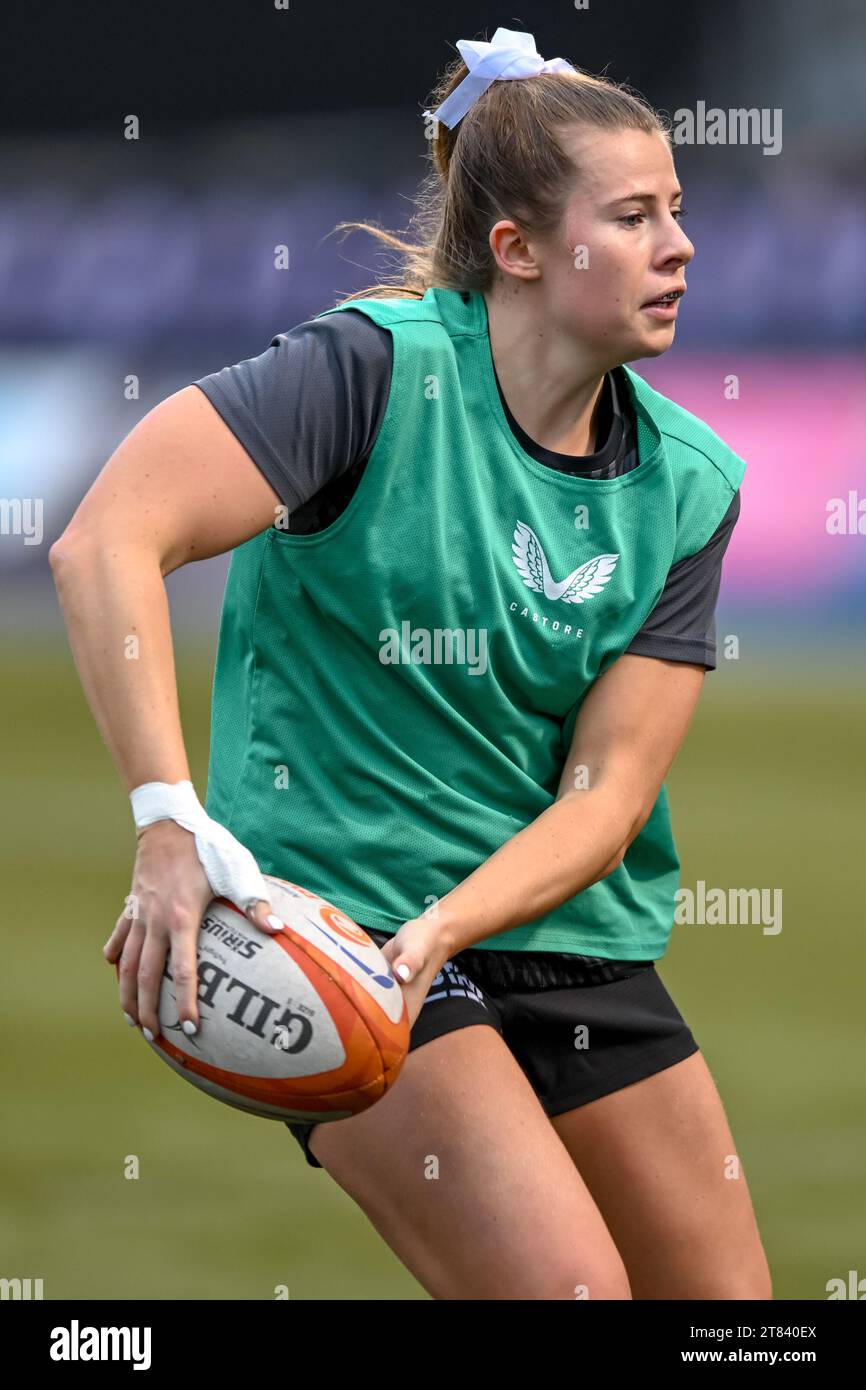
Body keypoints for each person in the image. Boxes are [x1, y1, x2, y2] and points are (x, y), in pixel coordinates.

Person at [50, 27, 772, 1300]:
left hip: (559, 936)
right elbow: (107, 540)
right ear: (518, 249)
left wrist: (452, 927)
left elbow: (603, 797)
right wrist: (168, 821)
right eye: (635, 214)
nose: (680, 245)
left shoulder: (689, 482)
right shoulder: (365, 374)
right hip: (347, 929)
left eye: (678, 209)